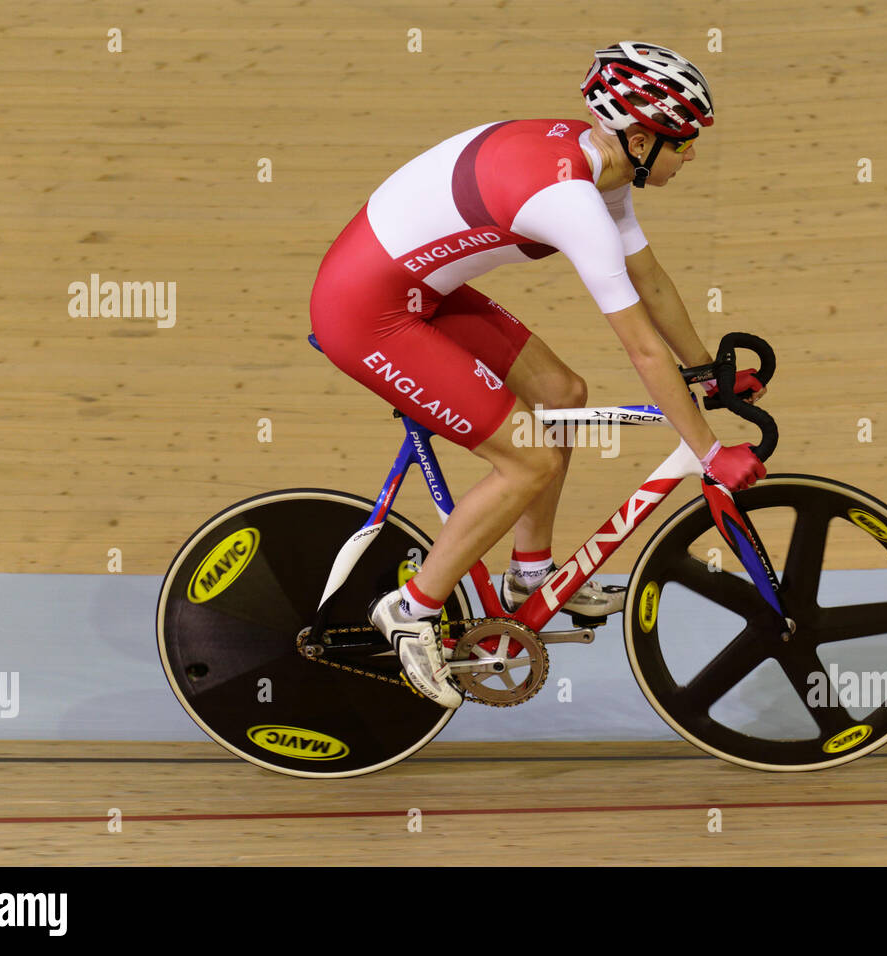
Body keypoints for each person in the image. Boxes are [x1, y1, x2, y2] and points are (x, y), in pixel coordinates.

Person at [309, 41, 766, 708]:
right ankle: (411, 608)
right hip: (366, 313)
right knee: (529, 459)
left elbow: (651, 282)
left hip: (415, 289)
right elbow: (642, 350)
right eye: (685, 141)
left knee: (562, 395)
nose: (691, 154)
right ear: (641, 139)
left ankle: (531, 574)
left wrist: (704, 372)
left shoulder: (600, 163)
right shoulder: (570, 202)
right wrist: (709, 450)